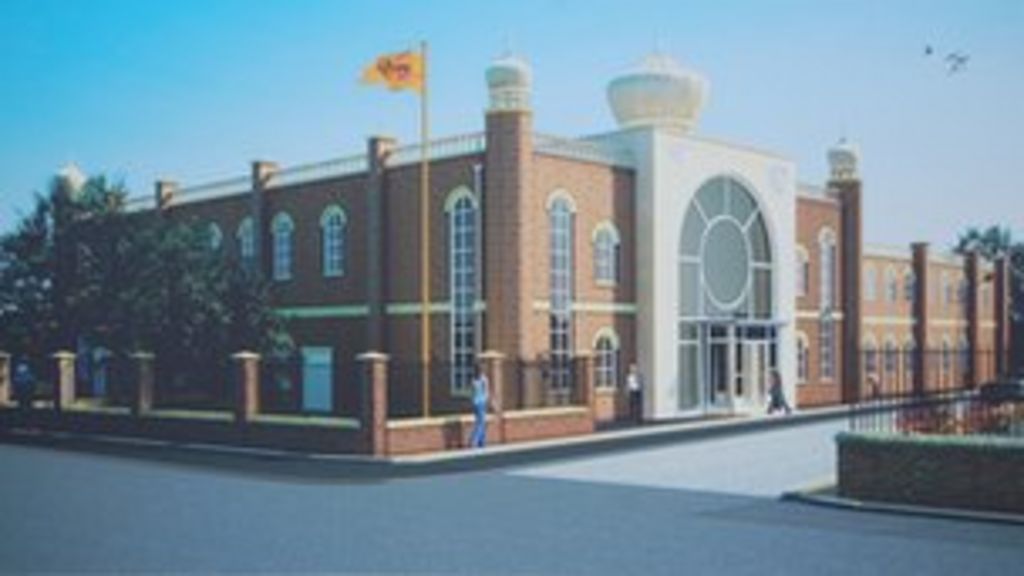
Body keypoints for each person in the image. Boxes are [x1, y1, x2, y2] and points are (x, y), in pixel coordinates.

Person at [469, 364, 490, 448]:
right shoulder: (484, 379)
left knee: (481, 421)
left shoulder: (473, 380)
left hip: (475, 402)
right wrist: (487, 400)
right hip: (481, 402)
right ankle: (474, 440)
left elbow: (472, 392)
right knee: (481, 422)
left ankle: (482, 441)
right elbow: (486, 391)